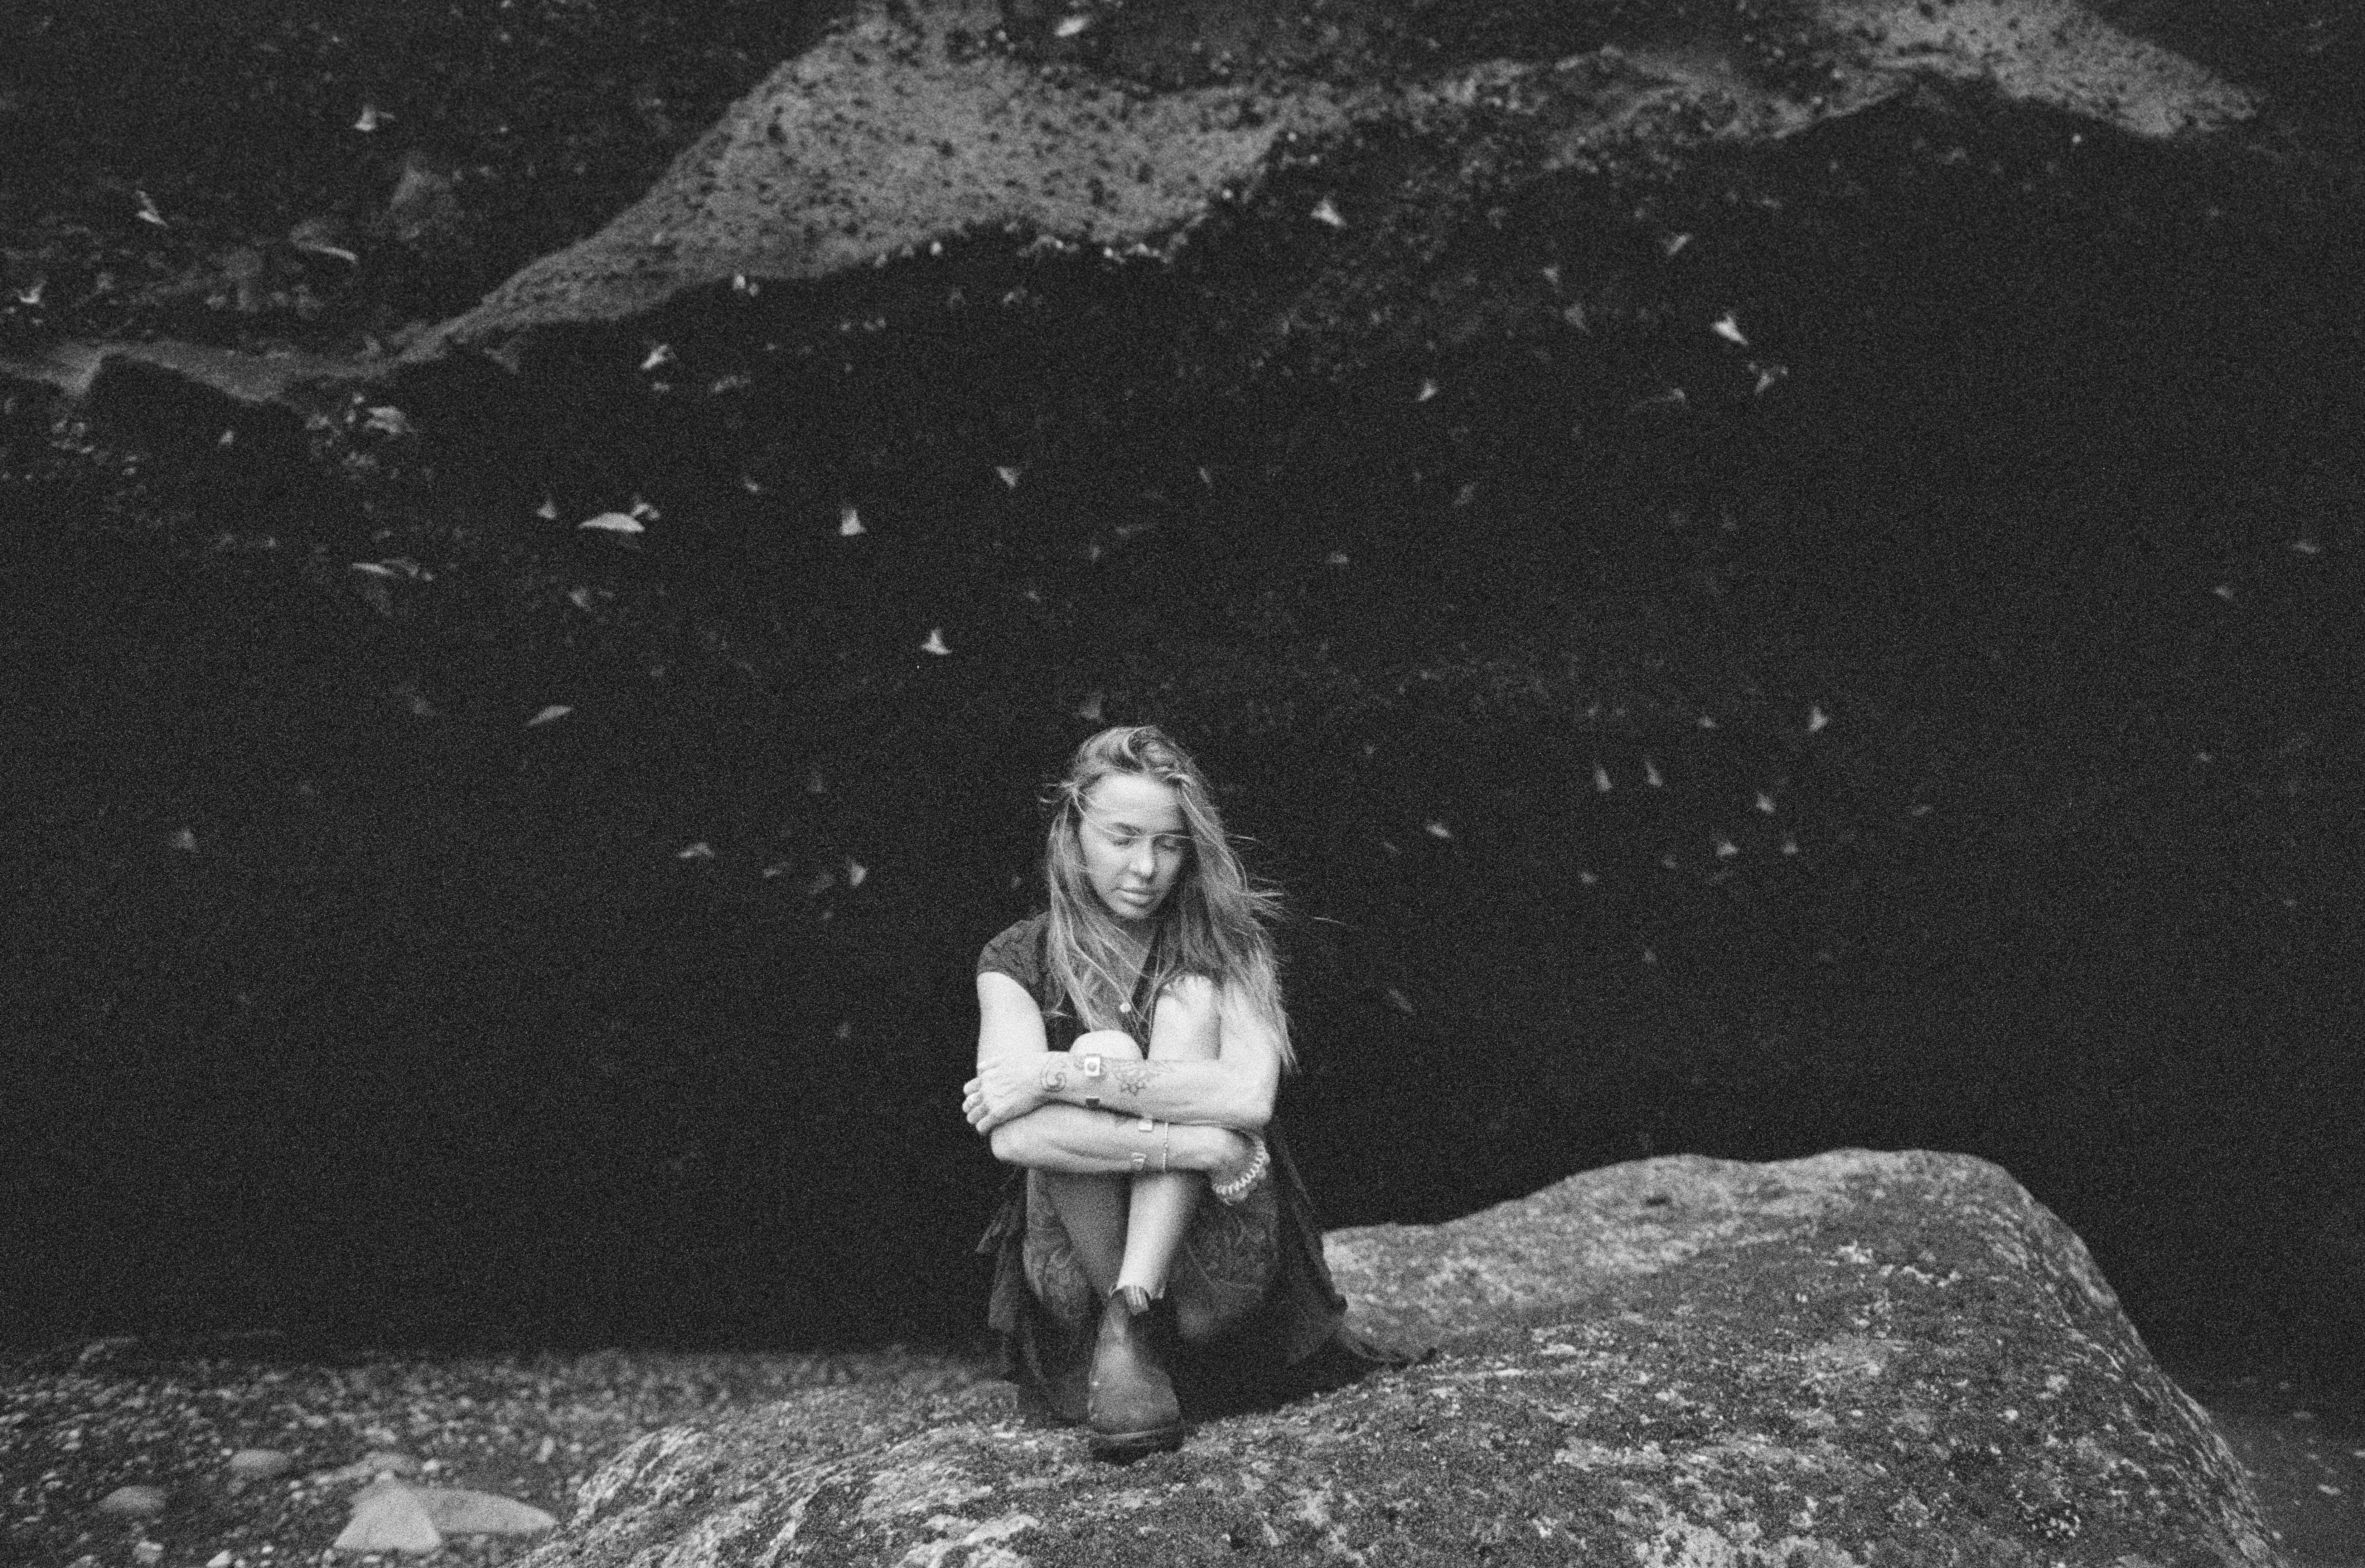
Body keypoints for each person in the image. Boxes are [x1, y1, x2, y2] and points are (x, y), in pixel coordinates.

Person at [964, 724, 1411, 1461]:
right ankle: (1128, 1327)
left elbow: (1246, 1101)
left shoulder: (1228, 943)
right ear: (1072, 833)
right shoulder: (1017, 956)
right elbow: (1011, 1136)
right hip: (1082, 1260)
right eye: (1121, 837)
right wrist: (1187, 1141)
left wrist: (1061, 1075)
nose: (1145, 867)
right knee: (1103, 1044)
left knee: (1180, 1004)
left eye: (1169, 844)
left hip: (1213, 1278)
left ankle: (1132, 1320)